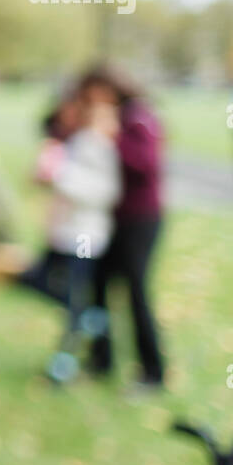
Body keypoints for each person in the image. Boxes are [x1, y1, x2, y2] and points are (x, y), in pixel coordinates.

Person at [17, 88, 121, 383]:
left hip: (84, 236)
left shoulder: (99, 148)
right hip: (62, 233)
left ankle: (63, 365)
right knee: (37, 279)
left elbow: (104, 192)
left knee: (74, 298)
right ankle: (89, 316)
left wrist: (60, 179)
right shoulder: (73, 143)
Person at [82, 64, 167, 388]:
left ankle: (153, 371)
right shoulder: (119, 115)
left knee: (136, 292)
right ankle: (101, 358)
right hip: (117, 220)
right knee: (99, 284)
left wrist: (113, 136)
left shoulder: (137, 116)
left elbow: (146, 164)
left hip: (141, 219)